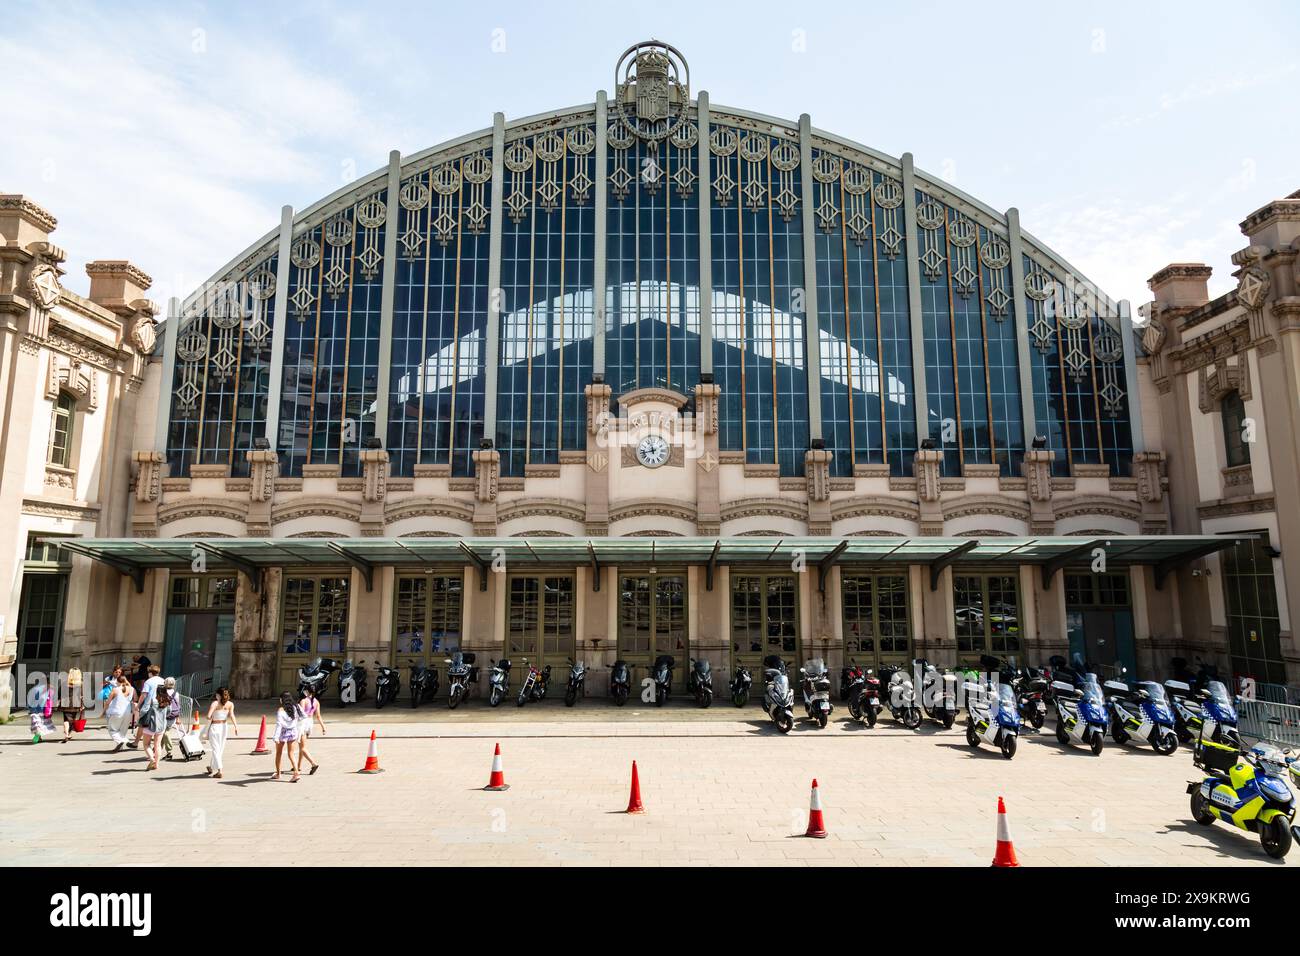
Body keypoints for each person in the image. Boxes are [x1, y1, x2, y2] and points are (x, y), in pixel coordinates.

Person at [204, 687, 238, 779]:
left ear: (219, 695)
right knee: (220, 748)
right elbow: (232, 715)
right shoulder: (230, 704)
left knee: (215, 749)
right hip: (224, 727)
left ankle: (220, 771)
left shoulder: (215, 703)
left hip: (215, 727)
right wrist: (236, 726)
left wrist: (207, 722)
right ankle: (211, 767)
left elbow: (208, 716)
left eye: (216, 694)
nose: (216, 696)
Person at [130, 664, 163, 750]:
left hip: (149, 706)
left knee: (143, 724)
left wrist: (138, 705)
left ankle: (137, 742)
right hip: (160, 705)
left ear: (150, 673)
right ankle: (156, 745)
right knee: (157, 725)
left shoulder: (148, 682)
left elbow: (143, 695)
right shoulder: (163, 681)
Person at [295, 686, 326, 775]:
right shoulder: (316, 702)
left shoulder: (303, 701)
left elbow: (300, 714)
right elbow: (318, 716)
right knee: (302, 746)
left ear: (307, 691)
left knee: (303, 747)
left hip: (303, 724)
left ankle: (313, 763)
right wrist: (323, 727)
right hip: (310, 723)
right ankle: (298, 766)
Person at [272, 691, 301, 782]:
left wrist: (276, 737)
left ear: (282, 699)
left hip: (283, 733)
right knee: (291, 754)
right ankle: (296, 773)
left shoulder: (281, 710)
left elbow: (279, 724)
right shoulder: (296, 707)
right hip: (293, 732)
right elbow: (303, 716)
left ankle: (278, 773)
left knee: (278, 754)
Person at [139, 685, 169, 771]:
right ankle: (157, 764)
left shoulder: (152, 700)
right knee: (157, 745)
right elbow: (169, 713)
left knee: (146, 744)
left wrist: (139, 716)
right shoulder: (167, 701)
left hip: (150, 725)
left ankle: (152, 759)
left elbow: (144, 710)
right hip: (161, 726)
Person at [105, 675, 134, 750]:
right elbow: (136, 698)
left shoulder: (115, 689)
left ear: (117, 681)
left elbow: (108, 702)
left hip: (116, 711)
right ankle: (120, 746)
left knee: (112, 729)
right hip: (128, 712)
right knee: (123, 730)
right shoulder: (131, 689)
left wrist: (104, 710)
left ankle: (123, 741)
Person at [58, 668, 85, 744]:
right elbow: (81, 695)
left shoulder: (64, 683)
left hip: (65, 703)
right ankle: (69, 734)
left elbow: (59, 693)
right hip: (76, 703)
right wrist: (82, 705)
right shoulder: (80, 684)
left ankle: (66, 734)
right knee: (72, 719)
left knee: (66, 719)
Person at [159, 676, 182, 760]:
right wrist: (178, 718)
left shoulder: (162, 692)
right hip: (172, 715)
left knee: (164, 733)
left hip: (163, 715)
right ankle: (158, 750)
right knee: (163, 732)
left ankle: (169, 751)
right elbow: (178, 705)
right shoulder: (176, 693)